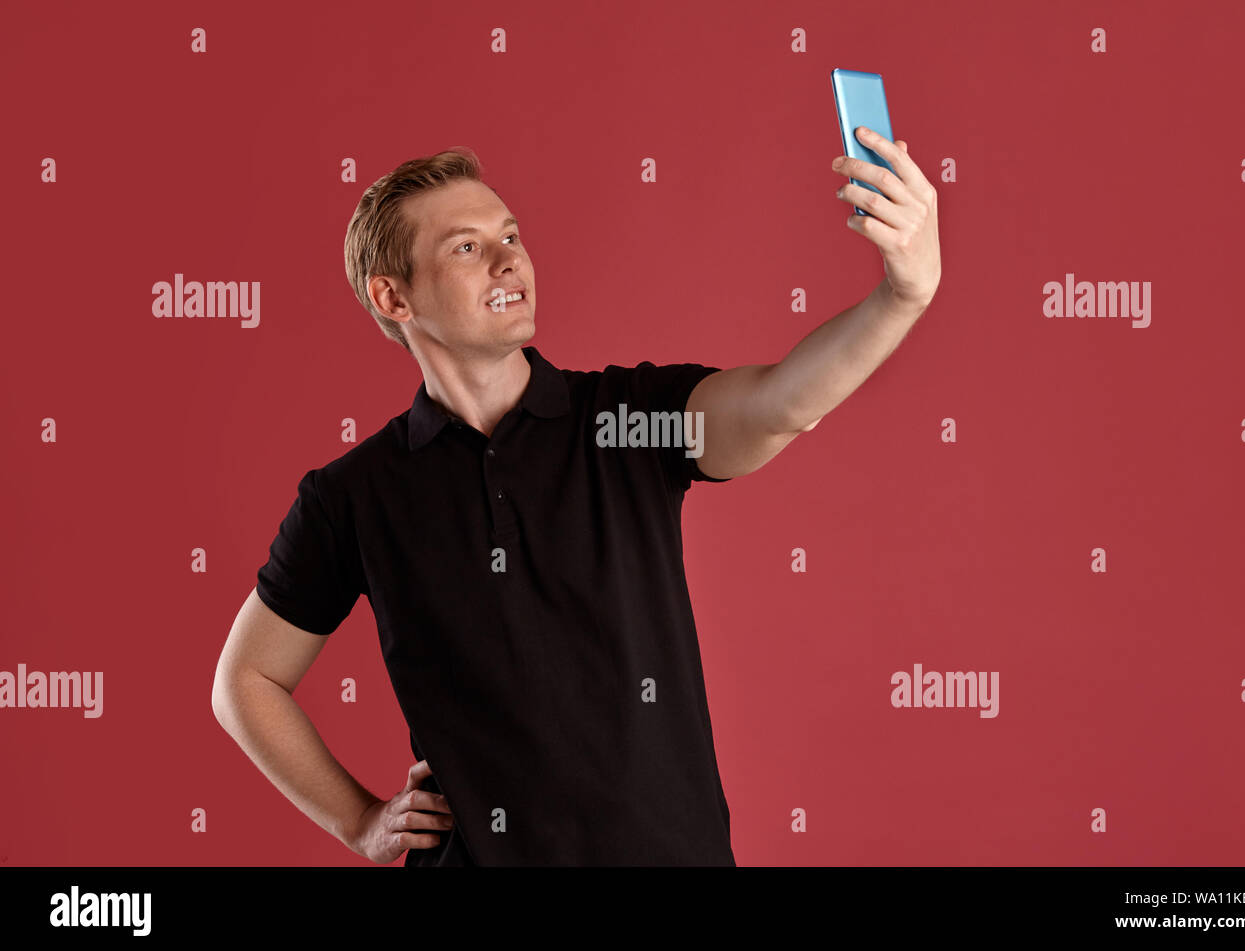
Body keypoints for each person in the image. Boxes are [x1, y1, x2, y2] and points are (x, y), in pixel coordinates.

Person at [211, 130, 940, 866]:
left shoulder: (627, 417)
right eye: (465, 248)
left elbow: (781, 402)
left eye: (511, 235)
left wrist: (900, 296)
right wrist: (359, 820)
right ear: (392, 295)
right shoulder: (353, 497)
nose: (508, 260)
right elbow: (247, 681)